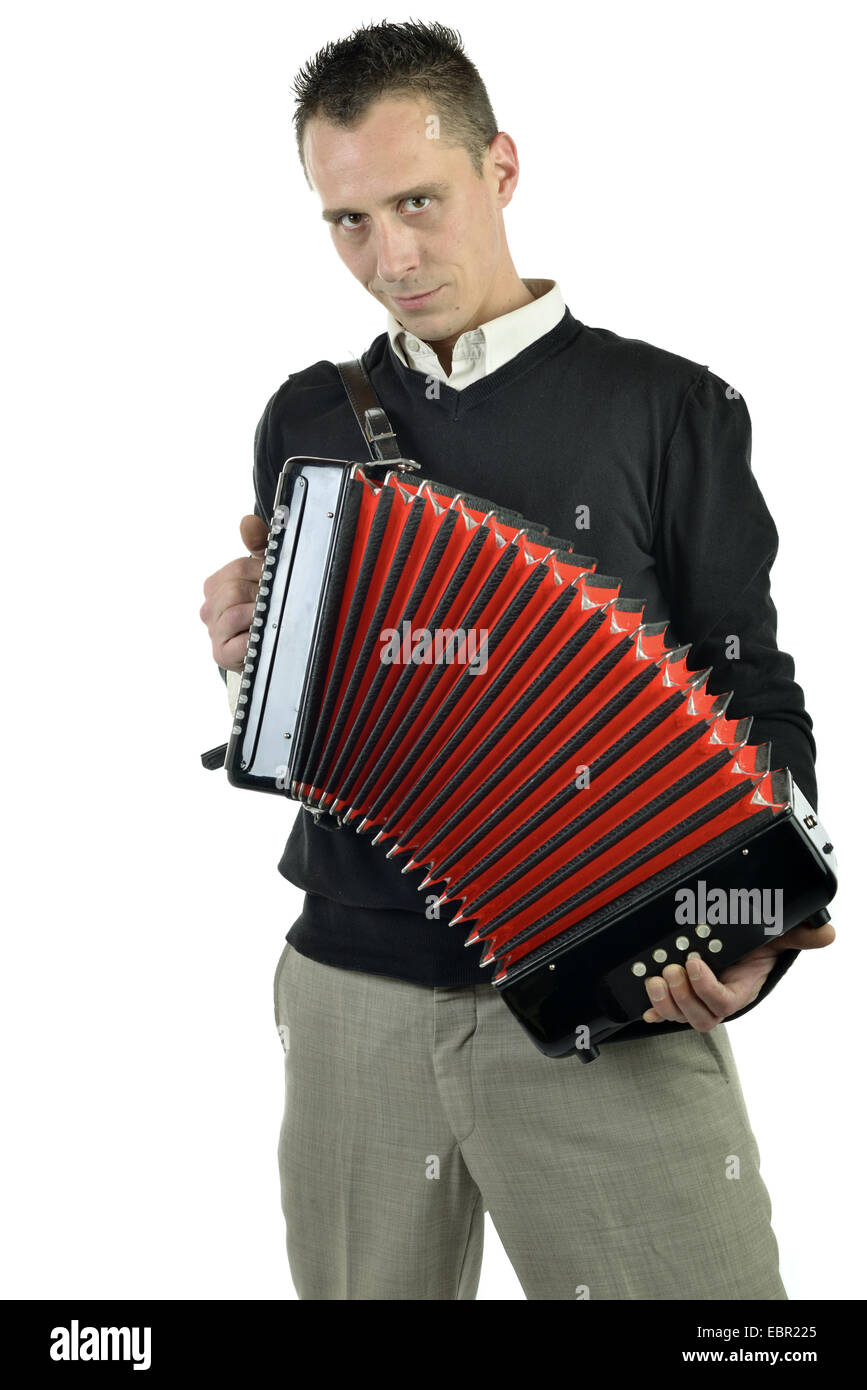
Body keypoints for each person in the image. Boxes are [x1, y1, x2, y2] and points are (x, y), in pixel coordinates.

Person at [199, 20, 835, 1300]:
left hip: (612, 984)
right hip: (350, 987)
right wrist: (247, 664)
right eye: (348, 221)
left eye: (418, 201)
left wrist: (759, 919)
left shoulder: (670, 408)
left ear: (501, 168)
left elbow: (748, 683)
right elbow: (322, 730)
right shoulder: (306, 417)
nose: (391, 257)